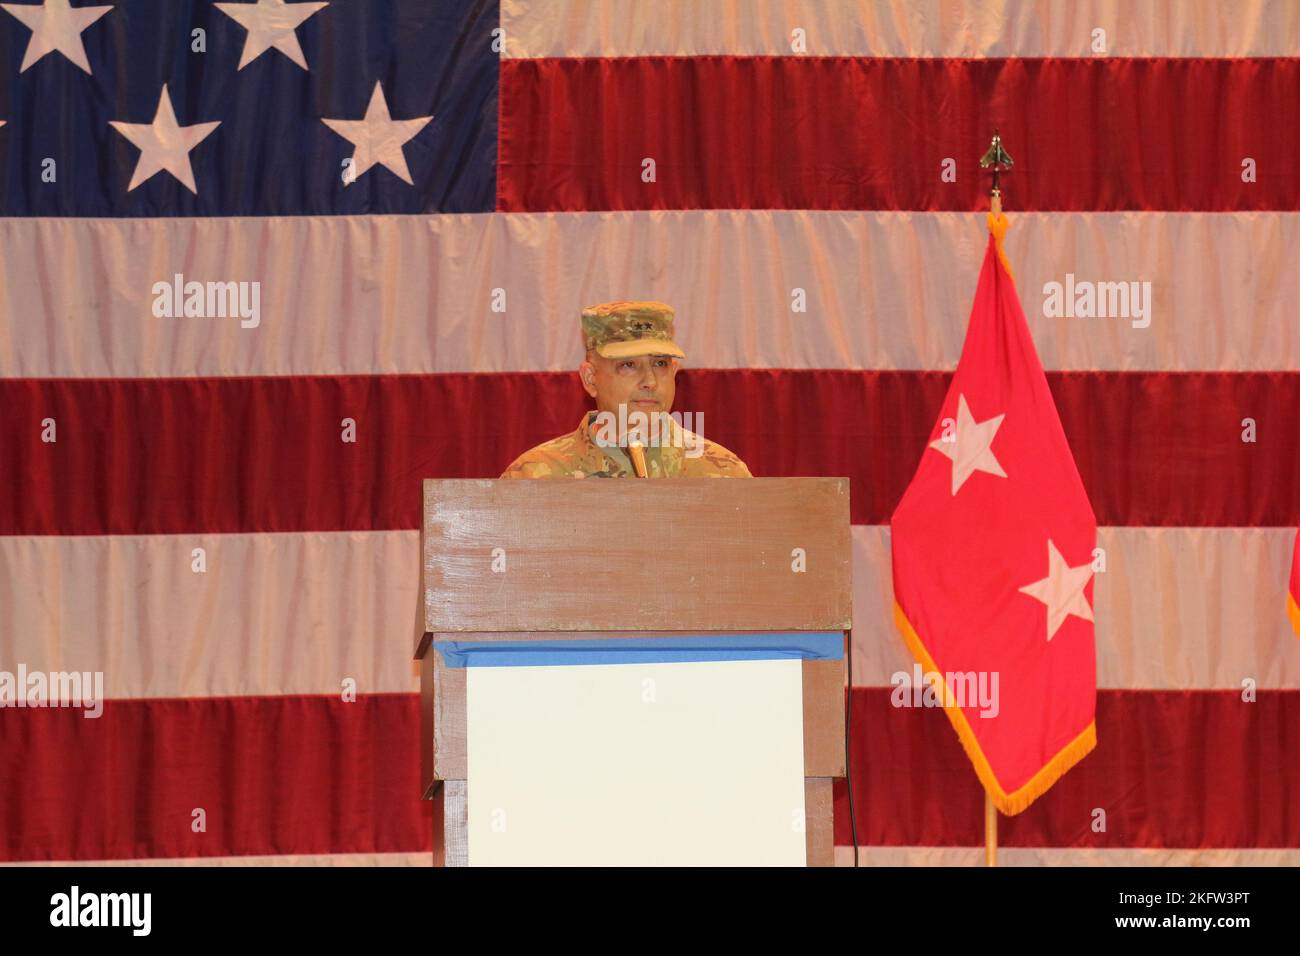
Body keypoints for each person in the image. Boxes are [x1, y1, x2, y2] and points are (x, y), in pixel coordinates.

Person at [500, 301, 752, 479]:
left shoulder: (722, 473)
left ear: (675, 372)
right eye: (628, 365)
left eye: (660, 364)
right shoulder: (536, 476)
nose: (650, 381)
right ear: (590, 379)